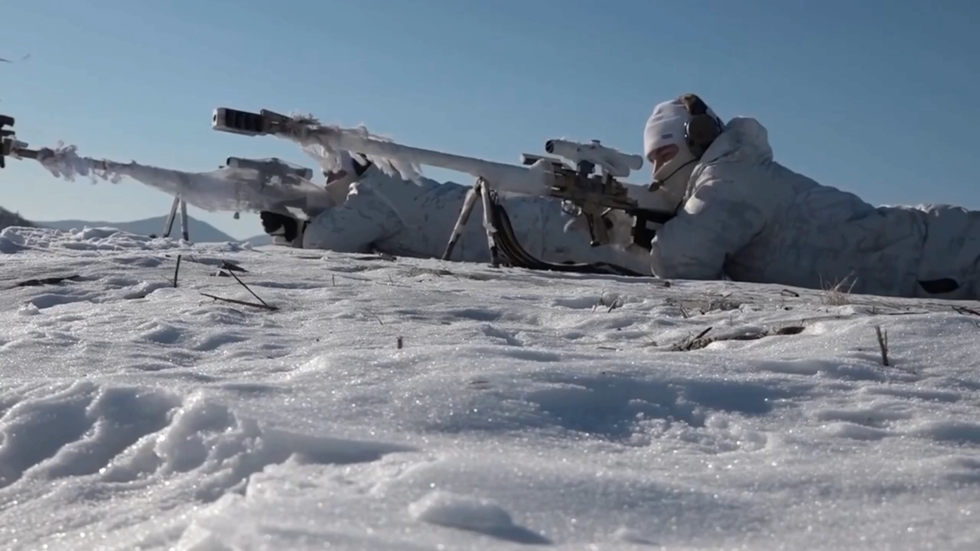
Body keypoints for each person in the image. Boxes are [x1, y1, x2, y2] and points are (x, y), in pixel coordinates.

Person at [619, 93, 980, 300]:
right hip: (933, 252)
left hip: (940, 260)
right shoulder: (736, 172)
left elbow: (682, 264)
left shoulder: (731, 179)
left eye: (664, 156)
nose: (657, 173)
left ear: (697, 138)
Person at [259, 150, 653, 274]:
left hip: (518, 234)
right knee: (618, 242)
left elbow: (324, 244)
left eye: (331, 173)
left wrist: (291, 233)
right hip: (523, 218)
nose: (328, 182)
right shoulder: (392, 184)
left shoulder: (371, 198)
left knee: (629, 256)